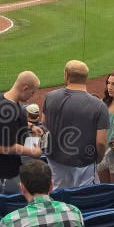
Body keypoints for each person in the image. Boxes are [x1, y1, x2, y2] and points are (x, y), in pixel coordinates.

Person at [43, 60, 109, 189]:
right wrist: (98, 159)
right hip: (84, 162)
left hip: (55, 160)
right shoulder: (99, 105)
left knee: (59, 195)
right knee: (84, 196)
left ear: (66, 75)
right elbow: (101, 142)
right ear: (85, 78)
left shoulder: (49, 96)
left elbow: (44, 124)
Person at [0, 71, 42, 195]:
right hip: (2, 171)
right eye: (32, 92)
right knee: (2, 204)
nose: (33, 95)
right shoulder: (8, 111)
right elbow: (4, 148)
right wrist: (33, 152)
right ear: (25, 88)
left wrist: (30, 127)